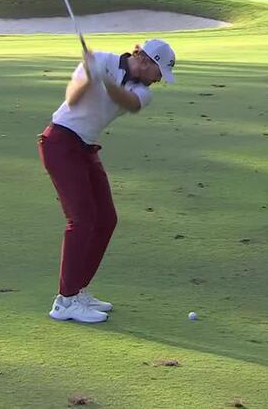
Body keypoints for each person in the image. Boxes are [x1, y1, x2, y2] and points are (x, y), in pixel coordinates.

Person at [38, 39, 176, 323]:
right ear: (146, 61)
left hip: (85, 147)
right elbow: (72, 99)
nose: (160, 79)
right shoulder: (100, 60)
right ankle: (65, 301)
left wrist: (104, 79)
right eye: (159, 72)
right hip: (60, 143)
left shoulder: (142, 91)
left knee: (106, 220)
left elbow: (128, 102)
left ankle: (78, 290)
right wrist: (90, 75)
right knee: (82, 220)